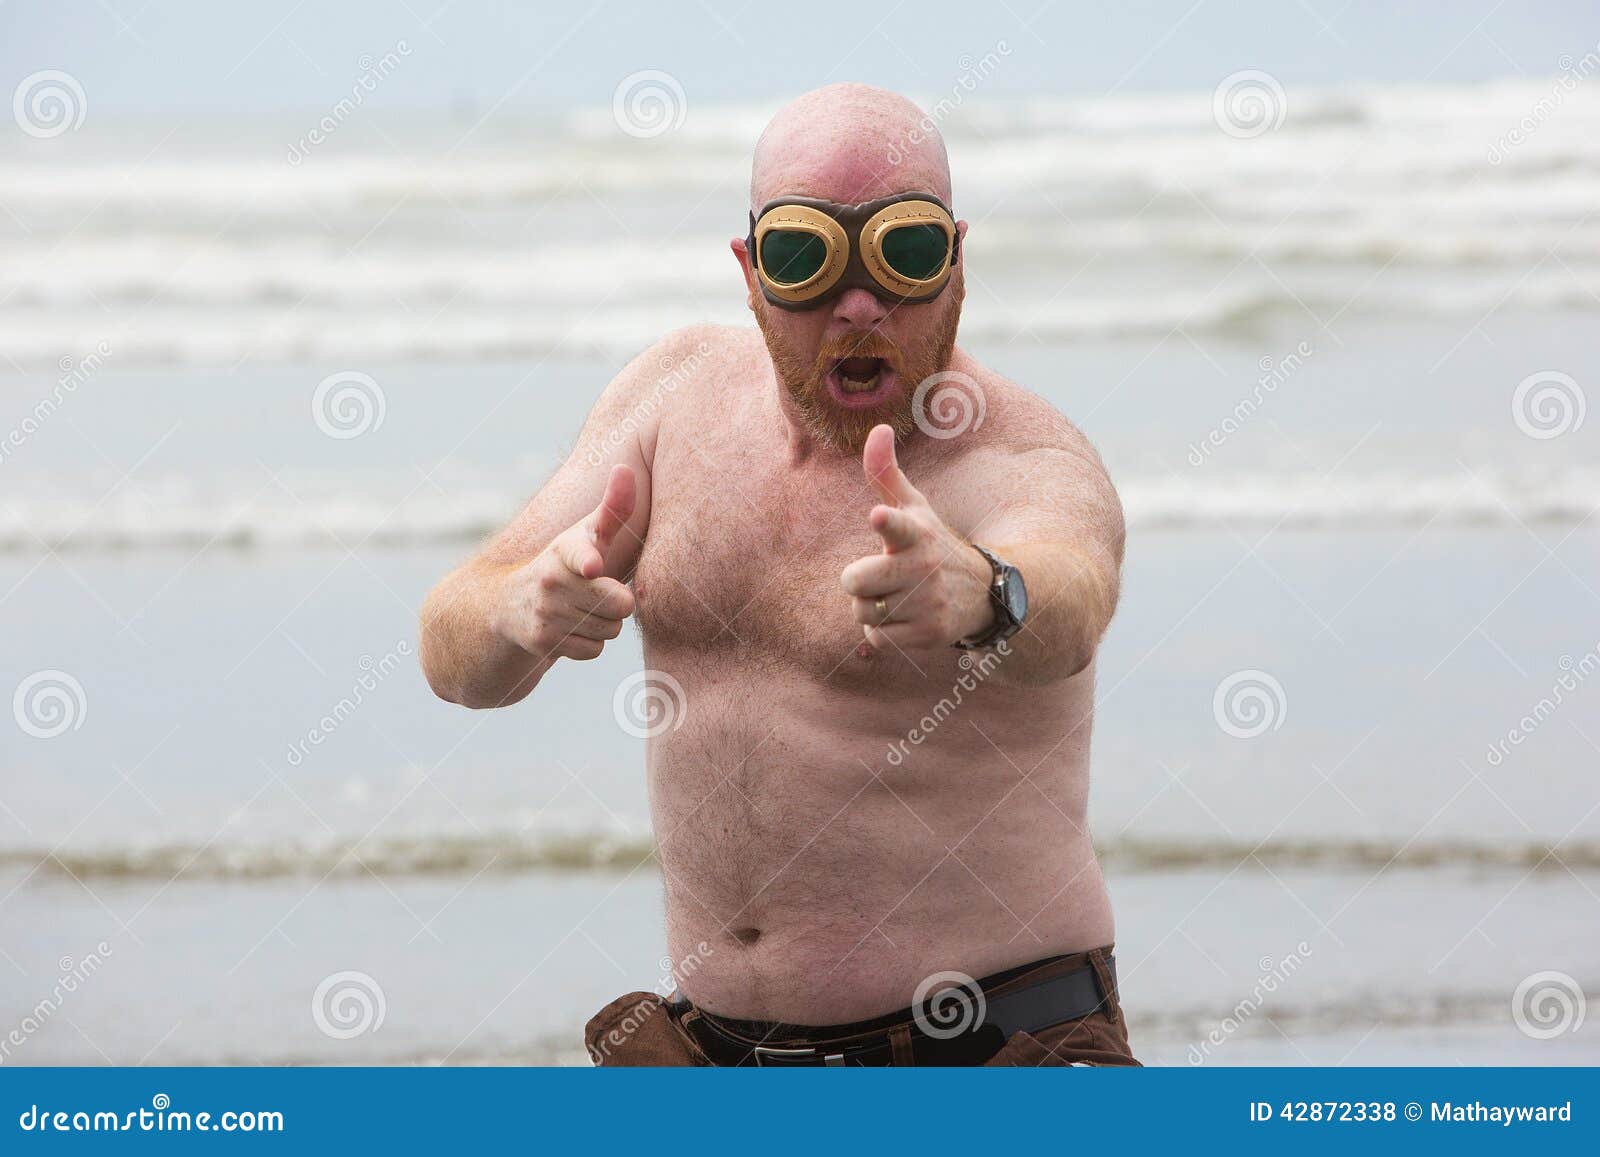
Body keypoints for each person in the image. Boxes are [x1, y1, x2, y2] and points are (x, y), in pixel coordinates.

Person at [419, 83, 1135, 1066]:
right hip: (711, 1054)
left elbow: (1071, 601)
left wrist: (985, 594)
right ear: (752, 271)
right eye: (806, 258)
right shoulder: (670, 401)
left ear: (957, 262)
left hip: (996, 1045)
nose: (859, 305)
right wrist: (516, 608)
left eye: (905, 252)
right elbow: (453, 653)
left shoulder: (1016, 457)